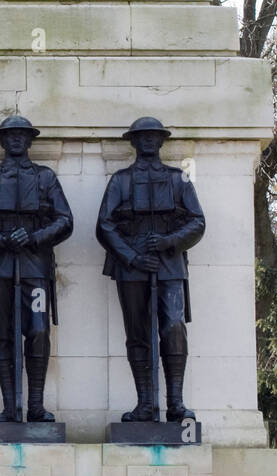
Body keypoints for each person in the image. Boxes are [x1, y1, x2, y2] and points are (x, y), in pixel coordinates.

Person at [0, 115, 72, 423]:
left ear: (30, 140)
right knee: (3, 334)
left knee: (38, 330)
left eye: (22, 135)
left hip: (34, 265)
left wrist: (34, 237)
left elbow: (64, 219)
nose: (16, 140)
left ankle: (35, 404)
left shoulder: (45, 177)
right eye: (10, 135)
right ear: (2, 140)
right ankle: (11, 406)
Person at [96, 116, 205, 423]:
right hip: (131, 266)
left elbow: (197, 221)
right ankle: (145, 402)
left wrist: (170, 241)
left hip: (169, 264)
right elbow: (104, 225)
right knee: (138, 333)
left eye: (153, 136)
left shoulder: (178, 178)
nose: (147, 141)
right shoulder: (120, 180)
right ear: (133, 141)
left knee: (173, 328)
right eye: (141, 136)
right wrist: (132, 257)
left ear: (161, 141)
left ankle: (176, 402)